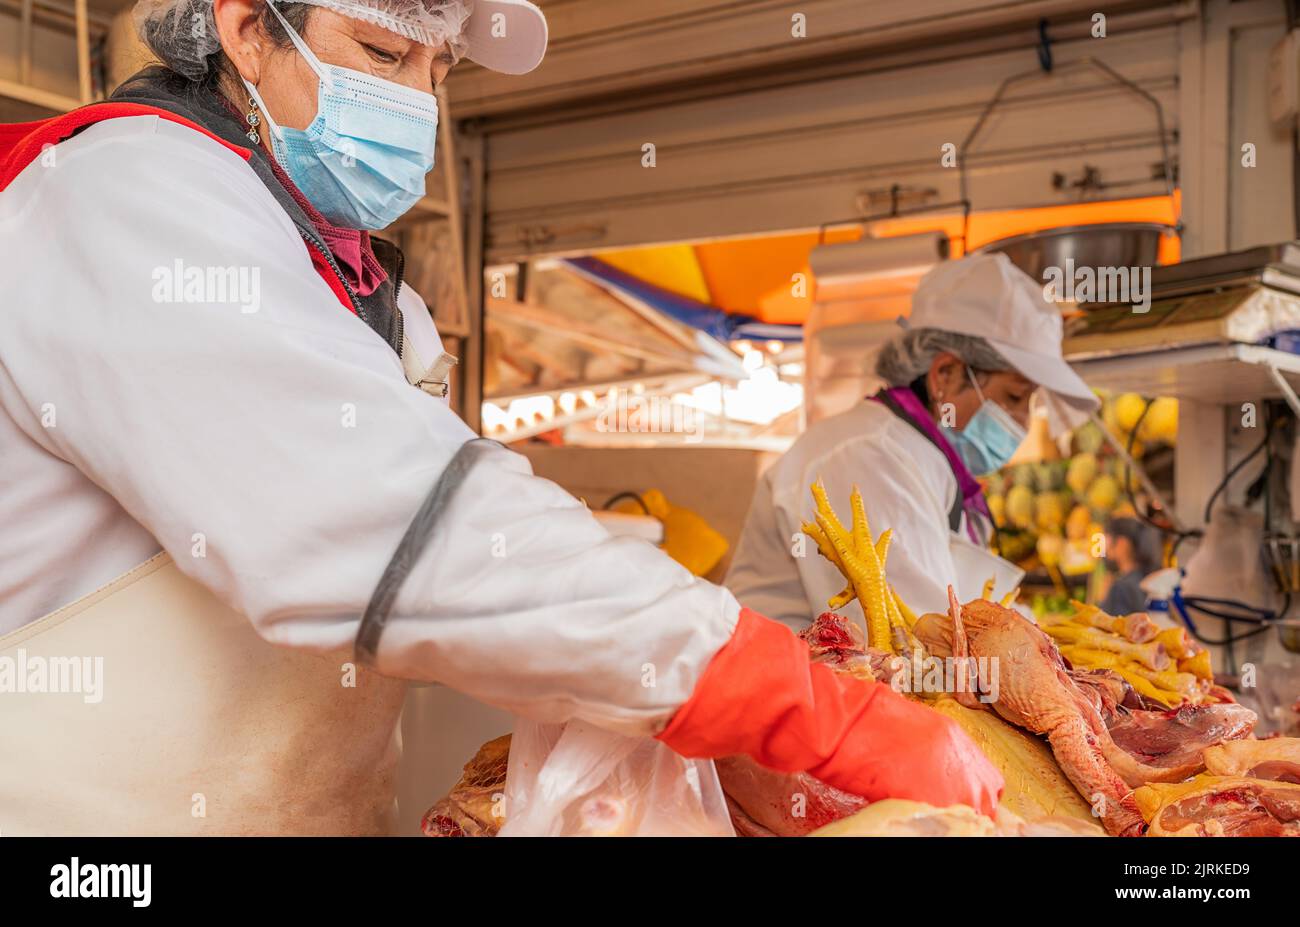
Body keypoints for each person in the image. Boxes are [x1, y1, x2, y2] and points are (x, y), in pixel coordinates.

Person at [0, 0, 1001, 834]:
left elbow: (426, 576)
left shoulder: (374, 300)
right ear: (246, 31)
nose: (412, 101)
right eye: (381, 52)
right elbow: (387, 532)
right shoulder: (128, 196)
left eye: (439, 69)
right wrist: (793, 704)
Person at [728, 253, 1100, 631]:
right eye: (1015, 398)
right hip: (785, 686)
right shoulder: (868, 456)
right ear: (945, 375)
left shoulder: (916, 456)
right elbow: (919, 639)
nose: (1022, 422)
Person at [1100, 516, 1163, 616]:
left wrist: (1103, 598)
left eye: (1106, 539)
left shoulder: (1121, 588)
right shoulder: (1154, 579)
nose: (1104, 548)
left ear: (1122, 544)